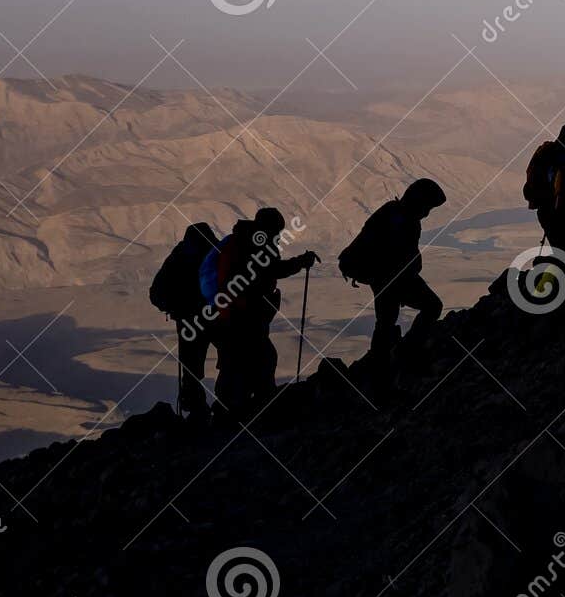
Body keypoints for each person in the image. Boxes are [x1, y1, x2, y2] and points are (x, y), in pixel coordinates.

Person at [210, 207, 318, 420]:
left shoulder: (242, 240)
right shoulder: (256, 244)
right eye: (276, 231)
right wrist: (301, 262)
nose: (277, 237)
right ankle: (252, 410)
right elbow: (273, 269)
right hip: (245, 316)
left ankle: (232, 409)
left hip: (231, 314)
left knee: (238, 360)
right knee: (261, 358)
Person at [341, 178, 447, 365]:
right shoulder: (399, 218)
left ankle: (385, 362)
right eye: (427, 207)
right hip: (389, 278)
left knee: (387, 322)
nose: (427, 213)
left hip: (390, 277)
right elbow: (395, 253)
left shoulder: (399, 215)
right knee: (429, 308)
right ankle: (396, 359)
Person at [148, 221, 217, 425]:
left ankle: (197, 410)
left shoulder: (179, 257)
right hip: (214, 316)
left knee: (191, 367)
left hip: (189, 322)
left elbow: (156, 293)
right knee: (227, 358)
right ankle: (227, 404)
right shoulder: (214, 253)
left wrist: (174, 308)